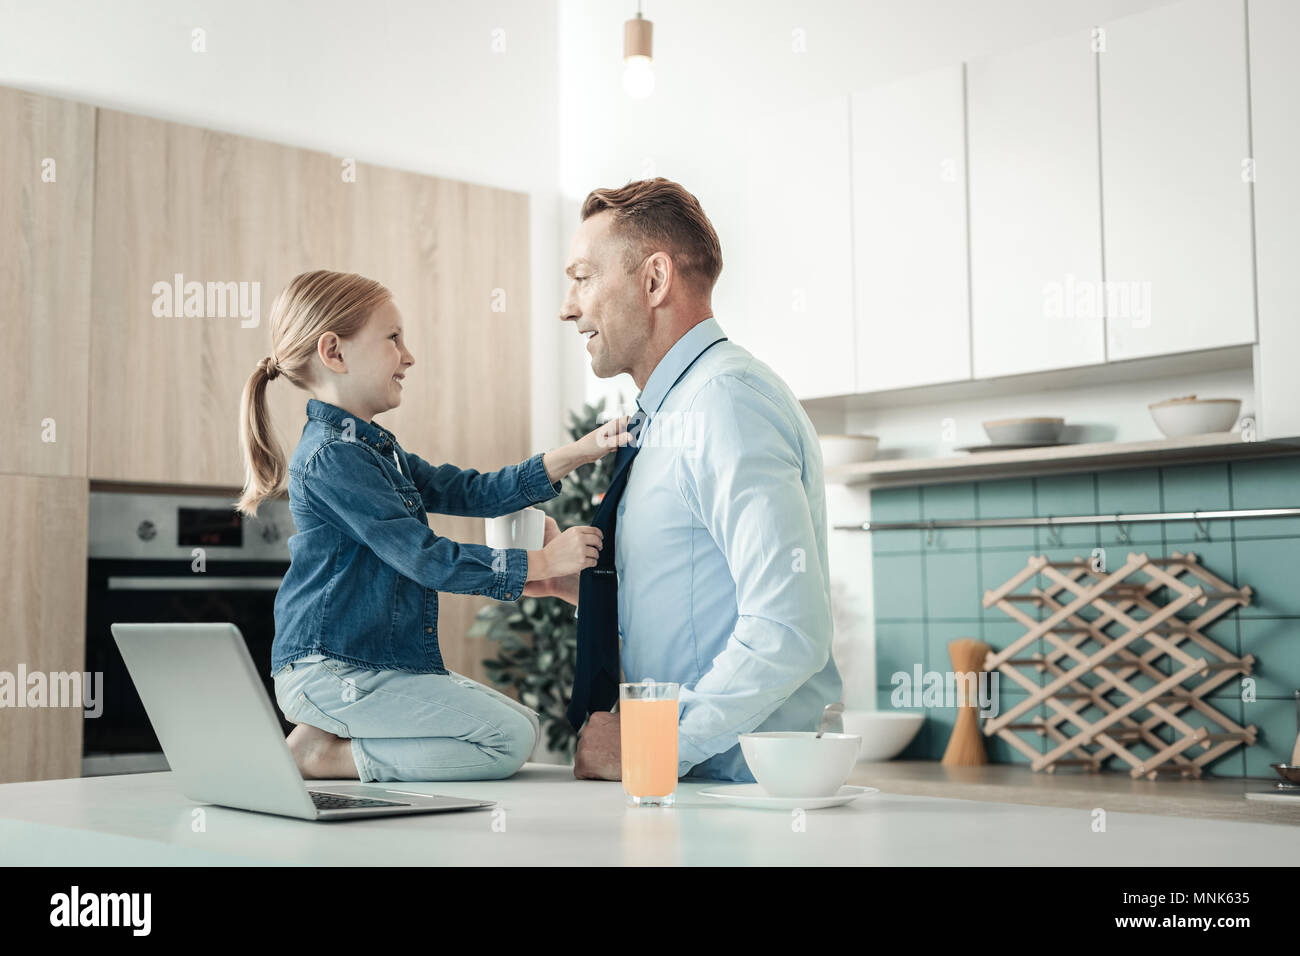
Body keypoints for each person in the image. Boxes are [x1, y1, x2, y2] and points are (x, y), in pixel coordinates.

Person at [236, 269, 627, 782]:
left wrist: (578, 452)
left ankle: (325, 738)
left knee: (523, 725)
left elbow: (471, 491)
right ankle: (323, 756)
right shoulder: (333, 458)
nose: (409, 356)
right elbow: (423, 557)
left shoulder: (374, 448)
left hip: (368, 664)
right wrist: (542, 562)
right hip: (332, 668)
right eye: (393, 338)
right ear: (334, 352)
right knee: (506, 741)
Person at [527, 178, 843, 783]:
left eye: (584, 277)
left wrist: (651, 746)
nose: (568, 306)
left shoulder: (724, 402)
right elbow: (698, 605)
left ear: (654, 280)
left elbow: (788, 628)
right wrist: (585, 592)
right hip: (699, 794)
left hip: (743, 800)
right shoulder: (668, 415)